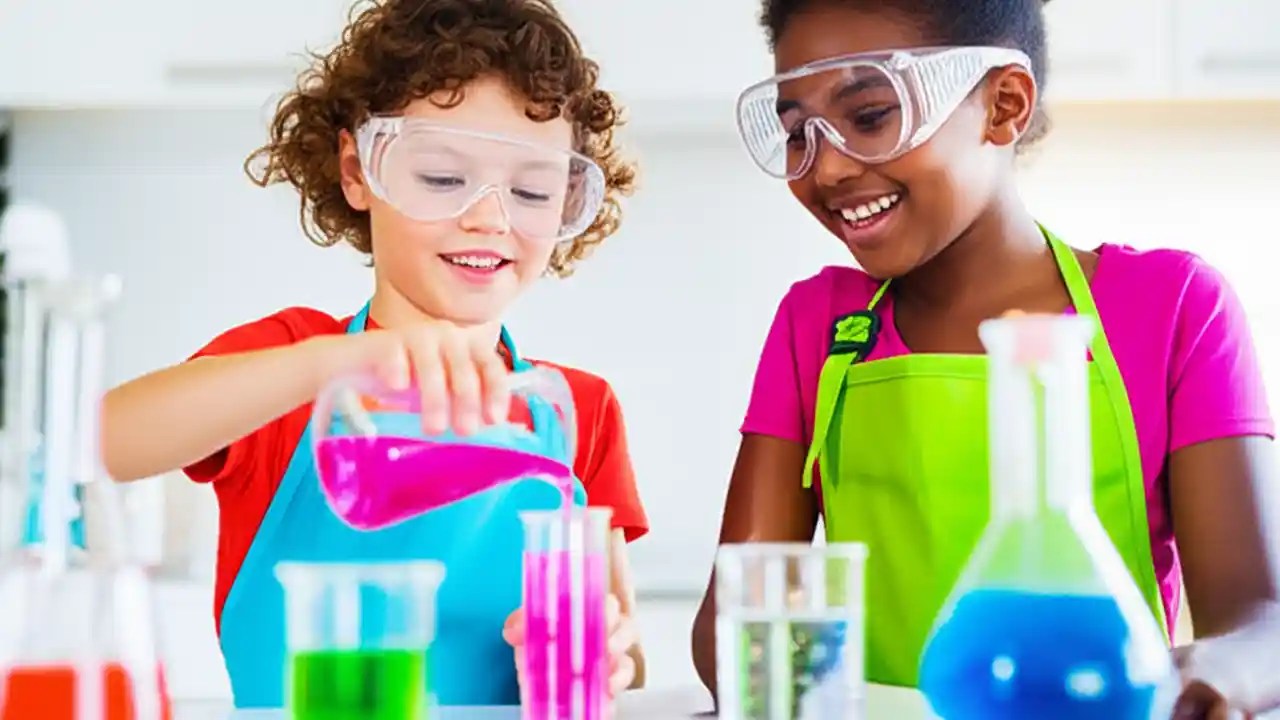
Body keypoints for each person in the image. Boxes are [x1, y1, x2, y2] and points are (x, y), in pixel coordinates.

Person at [690, 0, 1280, 716]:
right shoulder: (817, 326)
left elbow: (1261, 622)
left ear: (1003, 105)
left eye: (871, 115)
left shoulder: (1174, 307)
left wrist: (1216, 670)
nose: (829, 167)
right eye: (797, 133)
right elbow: (737, 617)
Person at [102, 0, 648, 708]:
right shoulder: (297, 364)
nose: (489, 216)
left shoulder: (578, 409)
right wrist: (333, 365)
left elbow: (622, 639)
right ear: (359, 171)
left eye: (533, 189)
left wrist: (610, 655)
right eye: (444, 179)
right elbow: (103, 443)